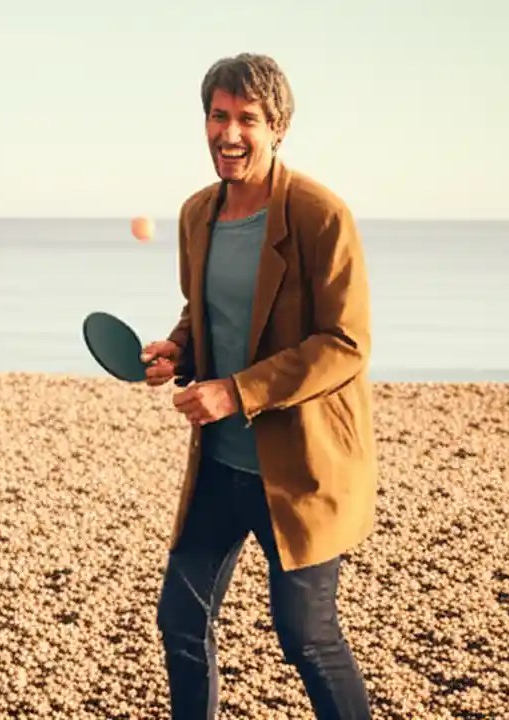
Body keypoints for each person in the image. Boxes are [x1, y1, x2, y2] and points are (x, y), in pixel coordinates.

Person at [141, 53, 377, 719]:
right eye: (218, 116)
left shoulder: (319, 214)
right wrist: (177, 350)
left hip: (299, 467)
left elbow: (346, 344)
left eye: (247, 119)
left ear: (278, 127)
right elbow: (205, 313)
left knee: (307, 635)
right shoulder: (197, 214)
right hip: (220, 463)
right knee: (180, 623)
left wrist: (234, 392)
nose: (230, 133)